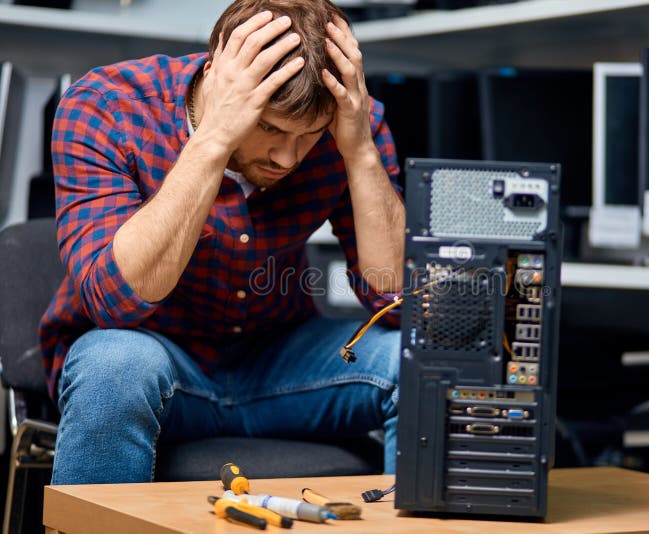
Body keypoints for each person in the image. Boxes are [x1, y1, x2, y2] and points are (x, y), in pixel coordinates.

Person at [40, 0, 406, 484]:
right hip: (151, 361)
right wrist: (214, 138)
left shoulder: (351, 118)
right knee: (115, 366)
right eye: (269, 127)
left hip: (282, 364)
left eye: (309, 135)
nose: (286, 157)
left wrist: (358, 150)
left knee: (420, 363)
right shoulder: (106, 106)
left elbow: (398, 300)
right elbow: (115, 303)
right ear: (216, 79)